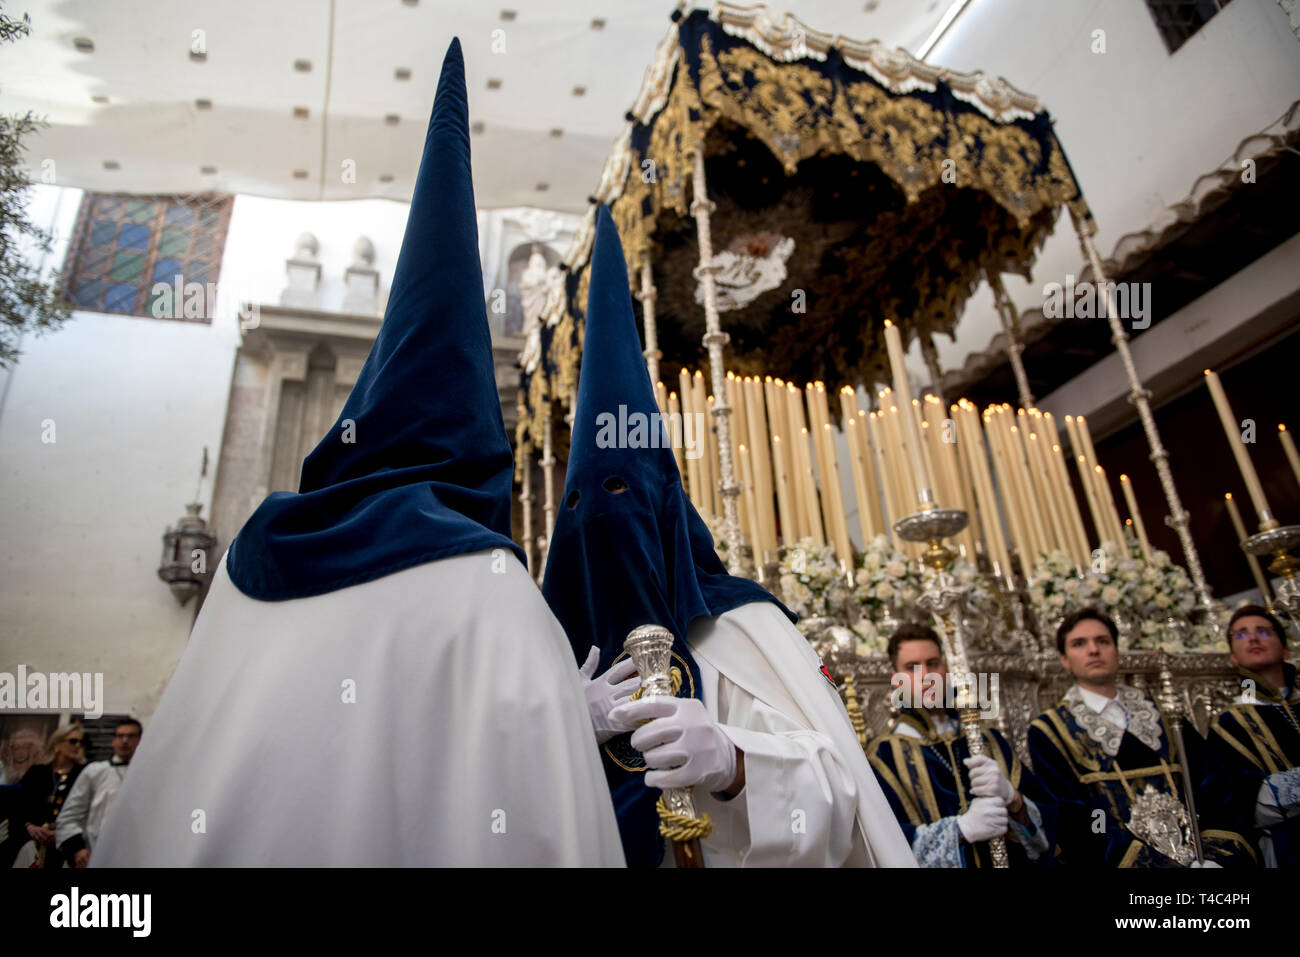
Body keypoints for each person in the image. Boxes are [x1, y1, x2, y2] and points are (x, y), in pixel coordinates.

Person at [91, 39, 623, 868]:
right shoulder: (490, 586)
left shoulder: (244, 568)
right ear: (487, 450)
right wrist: (560, 709)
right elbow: (550, 833)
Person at [544, 205, 915, 869]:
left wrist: (737, 763)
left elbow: (841, 796)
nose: (602, 516)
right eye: (582, 502)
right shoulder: (545, 658)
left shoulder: (744, 629)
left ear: (667, 512)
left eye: (624, 494)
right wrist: (556, 723)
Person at [1027, 607, 1254, 867]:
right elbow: (1077, 822)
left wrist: (1215, 856)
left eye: (1102, 641)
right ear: (1065, 659)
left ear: (1117, 652)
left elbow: (1214, 789)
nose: (1093, 650)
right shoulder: (1050, 731)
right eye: (1079, 644)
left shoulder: (1165, 713)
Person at [867, 623, 1053, 867]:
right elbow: (882, 844)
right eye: (912, 668)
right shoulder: (883, 757)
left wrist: (1014, 800)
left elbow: (1048, 827)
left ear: (946, 669)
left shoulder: (988, 740)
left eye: (933, 663)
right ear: (896, 680)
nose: (926, 676)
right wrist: (960, 830)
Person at [1207, 604, 1299, 867]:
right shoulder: (1229, 722)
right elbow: (1244, 803)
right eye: (1241, 635)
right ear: (1233, 657)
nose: (1254, 638)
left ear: (1286, 649)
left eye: (1263, 631)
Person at [56, 719, 138, 867]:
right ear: (113, 740)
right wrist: (77, 849)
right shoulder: (95, 772)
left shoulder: (152, 775)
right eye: (120, 736)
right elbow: (69, 816)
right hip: (93, 854)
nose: (125, 741)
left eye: (131, 736)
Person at [15, 724, 87, 868]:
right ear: (57, 744)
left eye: (81, 742)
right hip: (33, 841)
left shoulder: (84, 774)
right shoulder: (37, 772)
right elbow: (18, 805)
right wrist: (29, 826)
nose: (77, 746)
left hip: (66, 845)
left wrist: (61, 833)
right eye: (73, 741)